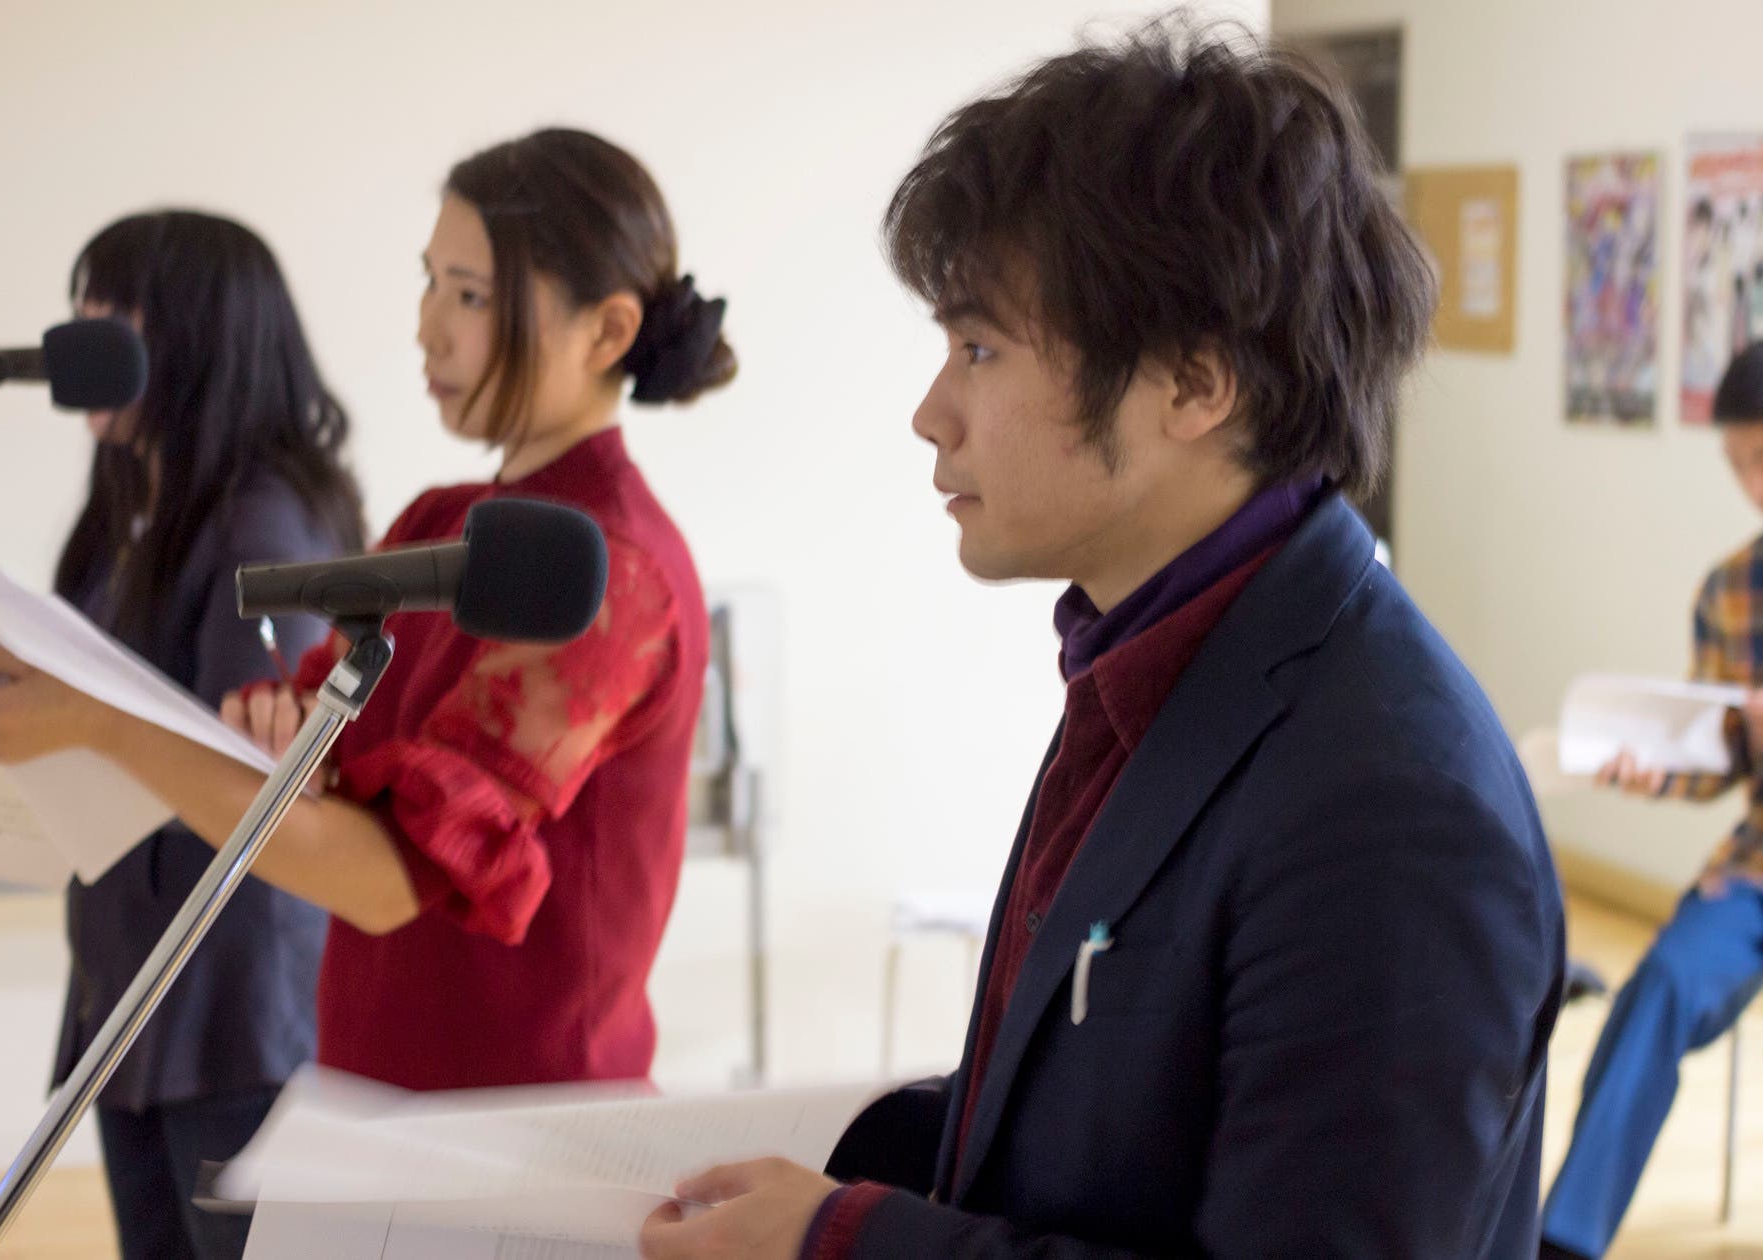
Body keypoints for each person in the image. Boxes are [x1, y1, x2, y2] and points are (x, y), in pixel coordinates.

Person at [637, 20, 1562, 1259]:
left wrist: (846, 1241)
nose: (932, 412)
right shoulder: (1157, 657)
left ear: (1193, 384)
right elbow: (1111, 1127)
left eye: (979, 348)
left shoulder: (1392, 806)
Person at [0, 128, 726, 1096]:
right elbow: (315, 779)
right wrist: (290, 744)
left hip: (517, 1120)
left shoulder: (611, 574)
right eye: (430, 282)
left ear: (607, 331)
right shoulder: (442, 521)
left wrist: (97, 721)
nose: (429, 327)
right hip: (371, 1094)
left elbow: (386, 882)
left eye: (471, 296)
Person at [0, 209, 363, 1260]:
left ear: (199, 333)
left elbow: (255, 771)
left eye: (113, 310)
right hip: (131, 996)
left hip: (233, 1013)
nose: (83, 332)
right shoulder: (131, 509)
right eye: (81, 307)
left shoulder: (265, 521)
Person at [1541, 338, 1763, 1260]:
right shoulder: (1730, 590)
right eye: (1738, 467)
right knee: (1656, 990)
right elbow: (1716, 753)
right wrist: (1657, 766)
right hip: (1762, 866)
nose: (1757, 487)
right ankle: (1563, 1241)